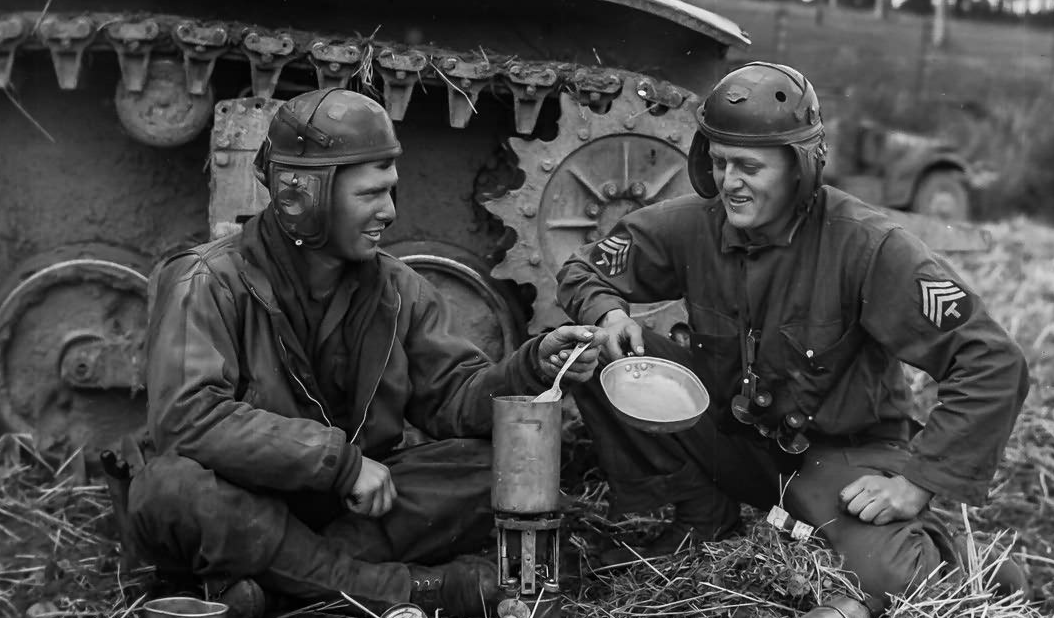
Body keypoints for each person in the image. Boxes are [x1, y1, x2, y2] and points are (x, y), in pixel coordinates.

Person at [556, 62, 1029, 618]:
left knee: (890, 578)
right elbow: (583, 271)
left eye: (749, 166)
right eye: (720, 161)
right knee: (584, 350)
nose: (729, 181)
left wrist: (918, 482)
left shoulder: (872, 246)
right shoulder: (689, 224)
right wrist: (608, 314)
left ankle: (971, 562)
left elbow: (992, 362)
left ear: (801, 168)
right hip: (729, 440)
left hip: (838, 456)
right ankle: (697, 515)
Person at [127, 88, 604, 618]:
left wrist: (532, 365)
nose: (389, 212)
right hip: (244, 501)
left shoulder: (400, 290)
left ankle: (283, 591)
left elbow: (454, 399)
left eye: (390, 192)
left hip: (344, 514)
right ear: (302, 196)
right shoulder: (206, 281)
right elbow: (187, 419)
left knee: (494, 467)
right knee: (169, 488)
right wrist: (340, 464)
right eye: (370, 195)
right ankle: (404, 592)